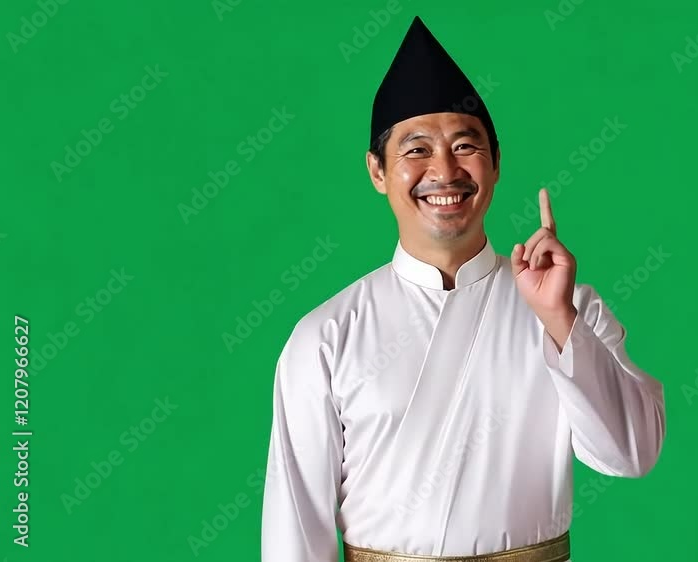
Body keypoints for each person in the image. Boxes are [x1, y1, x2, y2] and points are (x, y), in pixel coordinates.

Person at [261, 15, 665, 562]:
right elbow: (295, 530)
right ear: (378, 172)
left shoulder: (568, 307)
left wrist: (559, 321)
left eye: (465, 146)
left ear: (496, 164)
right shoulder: (325, 336)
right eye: (416, 150)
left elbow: (632, 453)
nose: (444, 170)